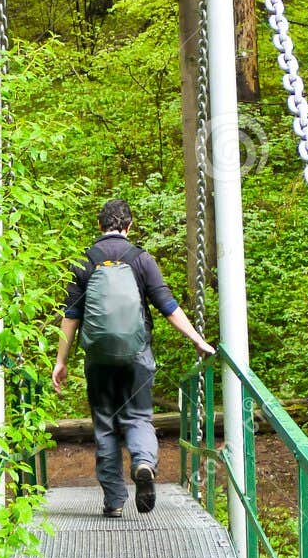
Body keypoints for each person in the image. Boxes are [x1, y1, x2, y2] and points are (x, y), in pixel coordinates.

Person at [52, 198, 215, 518]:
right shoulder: (141, 259)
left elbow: (71, 315)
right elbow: (168, 306)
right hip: (137, 355)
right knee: (139, 417)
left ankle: (114, 500)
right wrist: (198, 340)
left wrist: (61, 360)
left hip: (98, 359)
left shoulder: (85, 260)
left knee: (105, 424)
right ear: (129, 226)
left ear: (100, 226)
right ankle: (142, 462)